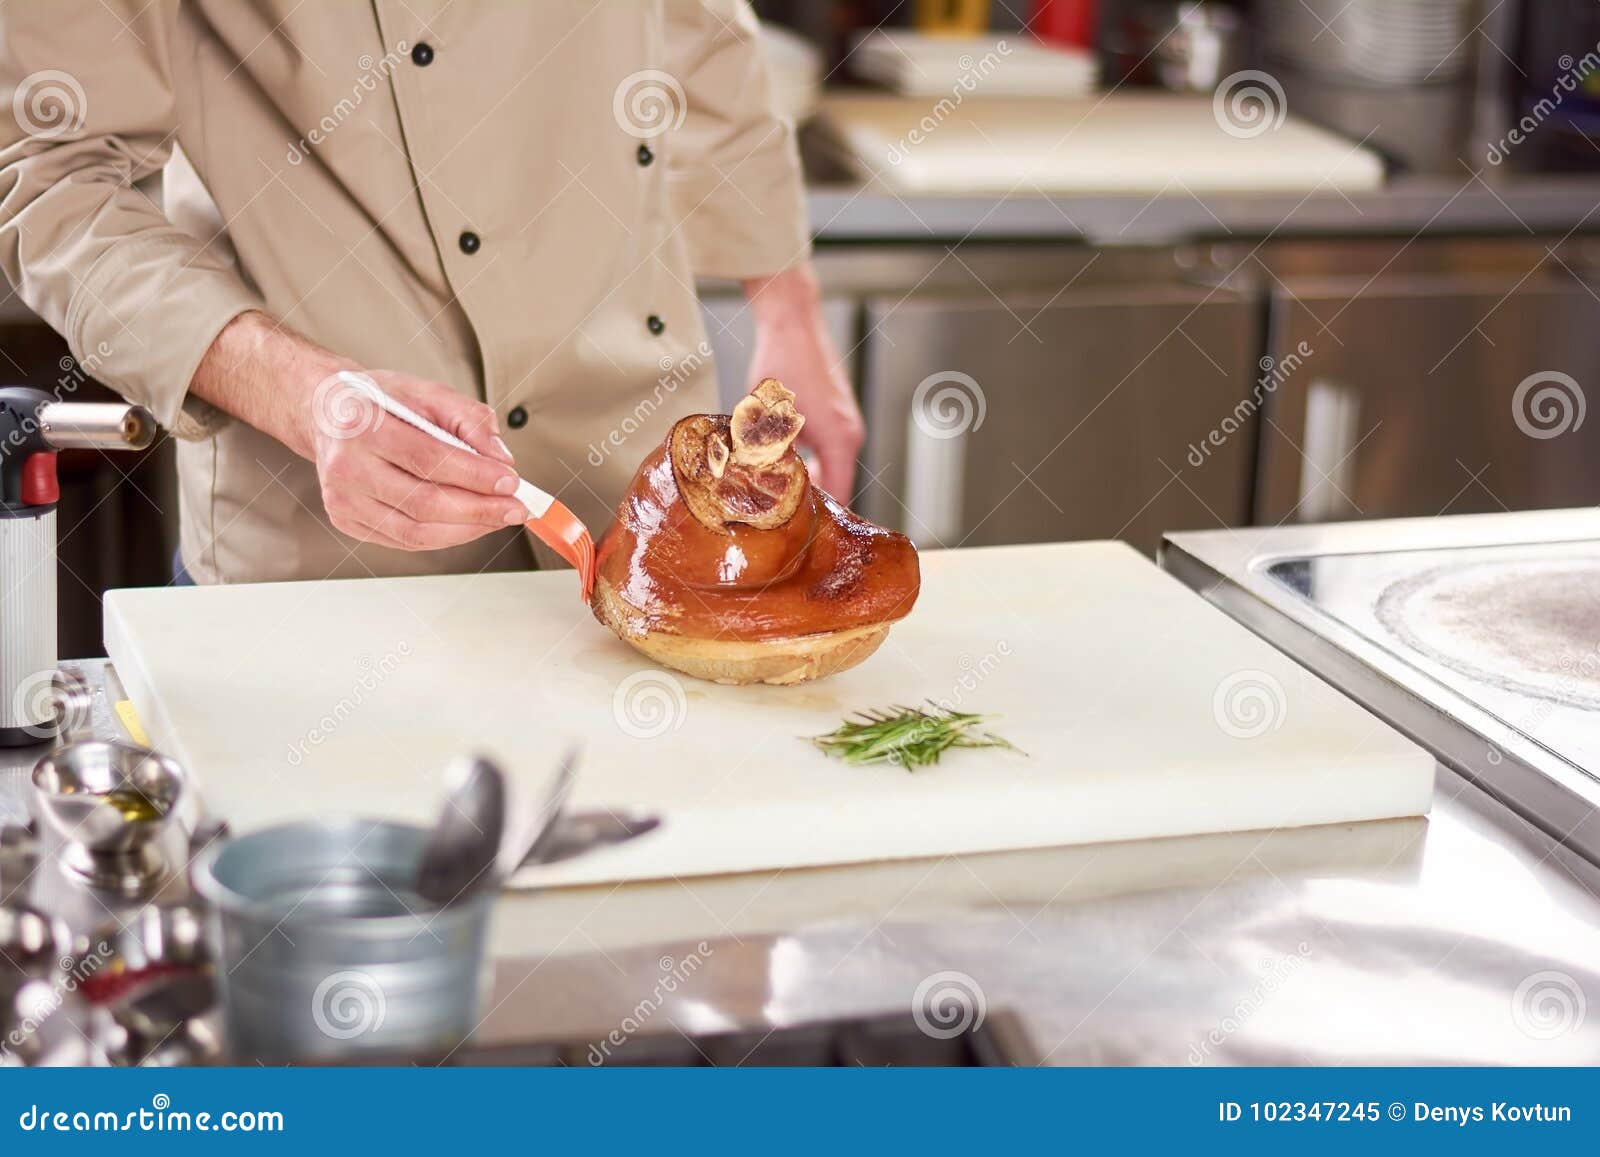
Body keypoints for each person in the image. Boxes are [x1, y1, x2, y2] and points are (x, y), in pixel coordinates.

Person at [0, 1, 862, 584]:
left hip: (636, 474)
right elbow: (52, 178)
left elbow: (699, 27)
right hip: (333, 546)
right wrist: (306, 394)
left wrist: (788, 313)